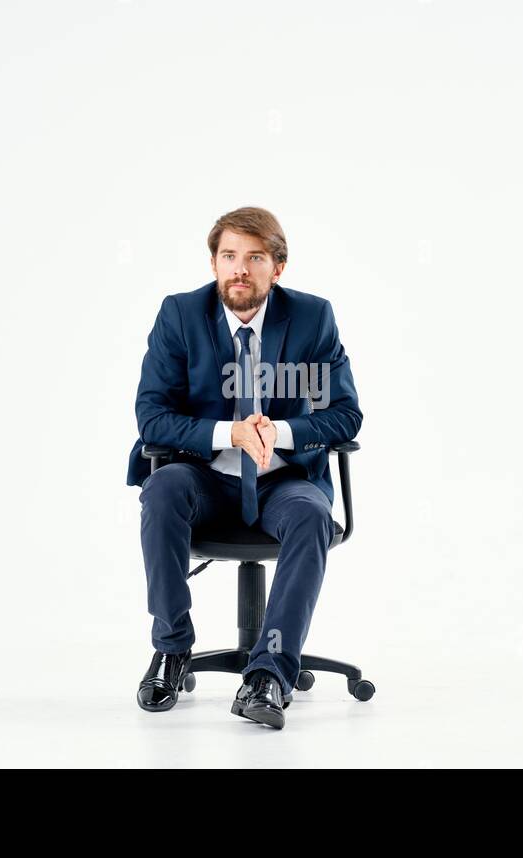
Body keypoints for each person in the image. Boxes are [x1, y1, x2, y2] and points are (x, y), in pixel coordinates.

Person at [125, 206, 363, 729]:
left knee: (310, 515)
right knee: (161, 487)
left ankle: (268, 674)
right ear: (214, 263)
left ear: (277, 268)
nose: (240, 268)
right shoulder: (181, 315)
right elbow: (152, 416)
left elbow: (345, 414)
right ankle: (171, 650)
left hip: (284, 480)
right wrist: (228, 432)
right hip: (203, 478)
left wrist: (276, 431)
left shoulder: (311, 318)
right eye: (229, 256)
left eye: (254, 258)